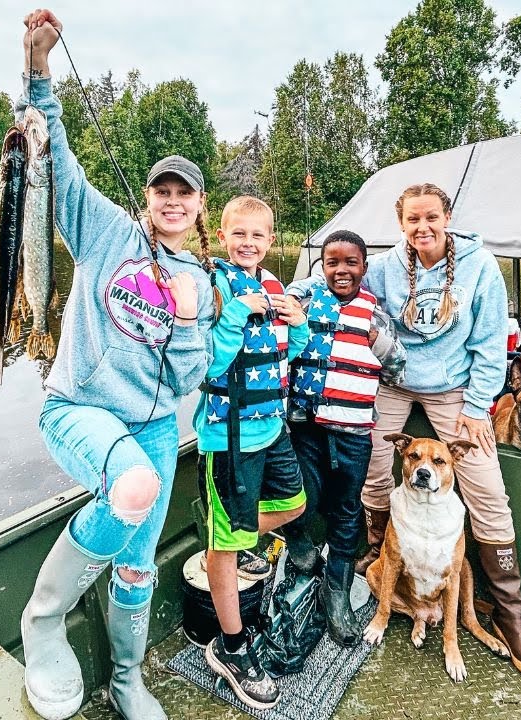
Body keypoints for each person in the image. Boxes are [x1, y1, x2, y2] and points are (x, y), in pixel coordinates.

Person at [18, 10, 215, 720]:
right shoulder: (106, 232)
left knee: (137, 563)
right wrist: (39, 70)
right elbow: (55, 165)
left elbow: (192, 375)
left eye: (182, 193)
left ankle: (126, 679)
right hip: (78, 407)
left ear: (199, 209)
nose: (169, 200)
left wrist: (189, 317)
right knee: (131, 488)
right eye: (161, 189)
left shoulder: (203, 282)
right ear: (150, 198)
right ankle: (42, 622)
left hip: (157, 425)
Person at [355, 182, 521, 681]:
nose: (422, 228)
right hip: (393, 381)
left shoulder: (479, 267)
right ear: (400, 224)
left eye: (431, 218)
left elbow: (490, 344)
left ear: (446, 218)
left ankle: (509, 613)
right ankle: (383, 568)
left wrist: (479, 406)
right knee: (373, 467)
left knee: (486, 484)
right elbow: (337, 285)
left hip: (453, 388)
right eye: (412, 220)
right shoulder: (382, 268)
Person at [195, 196, 310, 711]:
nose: (248, 243)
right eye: (238, 234)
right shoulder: (215, 284)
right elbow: (208, 361)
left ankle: (231, 542)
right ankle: (231, 647)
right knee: (228, 541)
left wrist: (300, 320)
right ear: (223, 237)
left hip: (273, 427)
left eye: (258, 236)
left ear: (270, 240)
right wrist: (237, 314)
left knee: (295, 505)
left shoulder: (274, 285)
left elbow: (294, 350)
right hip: (229, 436)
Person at [281, 230, 405, 647]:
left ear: (364, 268)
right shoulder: (308, 300)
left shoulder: (376, 314)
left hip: (353, 433)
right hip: (307, 426)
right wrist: (298, 294)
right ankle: (299, 544)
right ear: (322, 267)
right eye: (332, 262)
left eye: (350, 263)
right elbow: (288, 312)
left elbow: (397, 370)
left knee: (347, 511)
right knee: (300, 497)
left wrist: (381, 344)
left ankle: (336, 591)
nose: (341, 270)